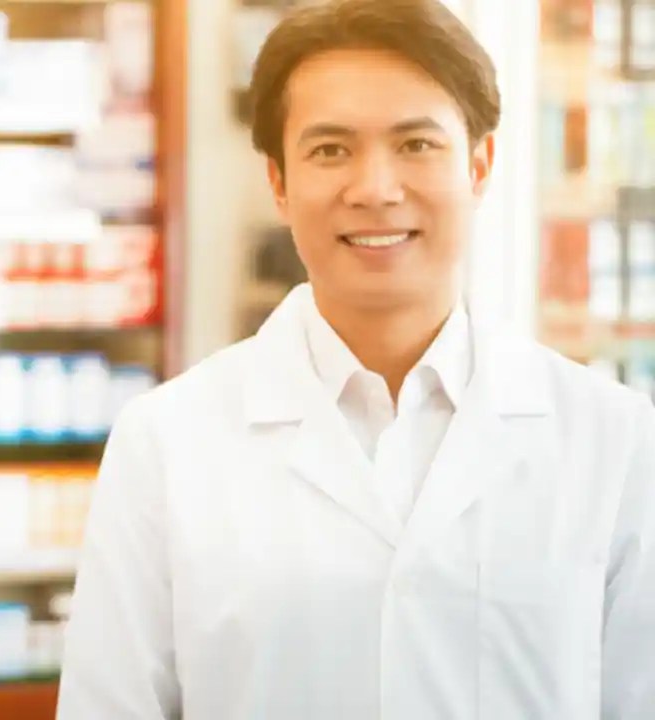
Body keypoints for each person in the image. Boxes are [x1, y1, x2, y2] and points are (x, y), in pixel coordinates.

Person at [56, 0, 655, 718]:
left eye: (416, 144)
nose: (374, 189)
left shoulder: (612, 437)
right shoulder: (166, 440)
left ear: (479, 165)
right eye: (330, 150)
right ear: (278, 181)